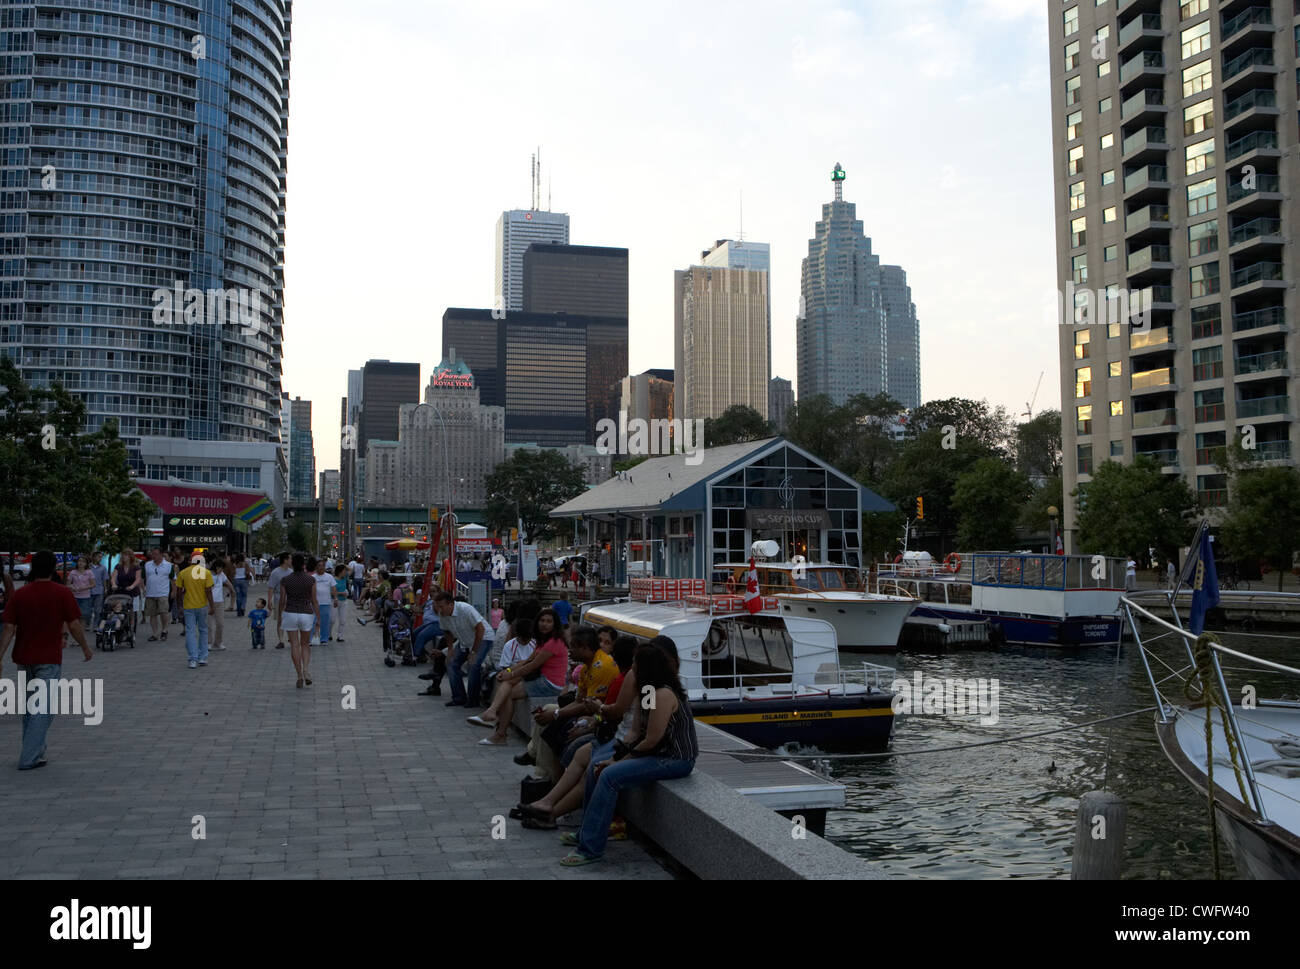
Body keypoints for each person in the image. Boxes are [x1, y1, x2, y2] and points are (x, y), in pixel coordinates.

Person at [561, 643, 698, 866]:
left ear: (646, 668)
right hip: (655, 753)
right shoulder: (648, 691)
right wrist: (615, 755)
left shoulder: (663, 694)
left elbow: (652, 739)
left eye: (636, 663)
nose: (631, 667)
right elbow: (636, 730)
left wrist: (618, 761)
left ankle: (590, 848)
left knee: (608, 776)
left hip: (674, 759)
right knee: (597, 766)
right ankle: (586, 831)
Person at [0, 550, 93, 770]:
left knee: (30, 706)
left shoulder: (20, 595)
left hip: (23, 657)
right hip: (49, 658)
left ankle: (36, 751)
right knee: (43, 708)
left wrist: (0, 654)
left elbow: (9, 628)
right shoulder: (62, 593)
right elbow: (74, 624)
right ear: (53, 568)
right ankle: (29, 757)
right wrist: (85, 648)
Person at [471, 608, 567, 745]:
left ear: (555, 624)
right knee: (507, 682)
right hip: (541, 678)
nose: (544, 624)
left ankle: (498, 727)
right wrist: (508, 671)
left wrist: (511, 673)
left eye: (549, 621)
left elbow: (532, 665)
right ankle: (493, 717)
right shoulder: (543, 641)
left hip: (550, 684)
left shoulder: (553, 643)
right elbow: (527, 660)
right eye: (542, 620)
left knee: (509, 692)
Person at [437, 591, 495, 708]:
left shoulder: (465, 609)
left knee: (473, 665)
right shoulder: (442, 615)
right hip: (465, 641)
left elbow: (480, 629)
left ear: (450, 604)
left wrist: (473, 652)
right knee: (451, 663)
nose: (439, 610)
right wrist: (450, 649)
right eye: (437, 607)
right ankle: (458, 697)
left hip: (484, 638)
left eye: (441, 607)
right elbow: (447, 631)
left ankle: (473, 700)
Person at [277, 553, 318, 688]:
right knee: (305, 644)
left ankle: (299, 675)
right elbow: (314, 600)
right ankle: (306, 670)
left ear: (292, 564)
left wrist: (279, 615)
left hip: (290, 612)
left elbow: (282, 600)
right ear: (303, 565)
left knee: (294, 645)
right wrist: (319, 617)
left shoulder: (286, 580)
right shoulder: (310, 580)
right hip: (306, 612)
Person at [142, 548, 174, 642]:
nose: (153, 556)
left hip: (163, 593)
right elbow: (142, 578)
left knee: (164, 612)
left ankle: (164, 630)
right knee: (152, 614)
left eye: (155, 554)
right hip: (150, 593)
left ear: (161, 555)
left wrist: (174, 591)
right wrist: (143, 588)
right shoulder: (147, 565)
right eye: (152, 554)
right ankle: (155, 633)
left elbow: (173, 580)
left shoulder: (168, 565)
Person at [267, 552, 292, 649]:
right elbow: (271, 588)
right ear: (285, 560)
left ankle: (291, 637)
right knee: (280, 620)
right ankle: (281, 640)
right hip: (278, 599)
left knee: (290, 620)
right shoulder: (275, 572)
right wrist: (269, 601)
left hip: (290, 599)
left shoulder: (291, 572)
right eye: (290, 559)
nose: (291, 561)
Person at [311, 557, 337, 645]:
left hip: (326, 603)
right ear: (316, 567)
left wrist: (336, 598)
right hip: (314, 603)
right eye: (319, 566)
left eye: (322, 566)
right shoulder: (312, 577)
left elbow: (333, 588)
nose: (321, 567)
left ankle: (324, 639)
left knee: (325, 622)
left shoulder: (329, 577)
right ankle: (311, 639)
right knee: (313, 621)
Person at [68, 556, 95, 633]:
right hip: (75, 597)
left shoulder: (89, 572)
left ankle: (81, 636)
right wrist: (72, 587)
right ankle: (75, 637)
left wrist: (83, 588)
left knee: (82, 617)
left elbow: (93, 584)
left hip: (85, 597)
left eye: (83, 561)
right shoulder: (73, 572)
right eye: (79, 561)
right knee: (75, 618)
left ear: (86, 564)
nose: (81, 563)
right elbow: (68, 584)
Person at [208, 559, 229, 650]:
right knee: (209, 624)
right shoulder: (207, 574)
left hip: (219, 602)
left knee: (220, 624)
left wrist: (232, 591)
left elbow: (227, 582)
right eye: (221, 568)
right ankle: (208, 642)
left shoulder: (221, 574)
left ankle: (218, 642)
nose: (222, 570)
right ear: (217, 567)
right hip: (208, 602)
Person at [88, 552, 109, 628]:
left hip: (99, 590)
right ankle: (87, 624)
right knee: (88, 609)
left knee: (98, 609)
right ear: (93, 557)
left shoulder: (103, 568)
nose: (100, 559)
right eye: (98, 557)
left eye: (101, 557)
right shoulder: (88, 567)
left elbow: (104, 579)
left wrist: (105, 588)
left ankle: (95, 625)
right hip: (88, 590)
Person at [332, 565, 350, 641]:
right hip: (334, 601)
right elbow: (332, 592)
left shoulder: (344, 578)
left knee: (343, 620)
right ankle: (329, 634)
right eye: (344, 570)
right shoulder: (333, 580)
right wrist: (340, 593)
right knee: (332, 620)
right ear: (340, 571)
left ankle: (340, 636)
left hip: (344, 601)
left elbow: (350, 569)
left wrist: (343, 565)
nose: (345, 572)